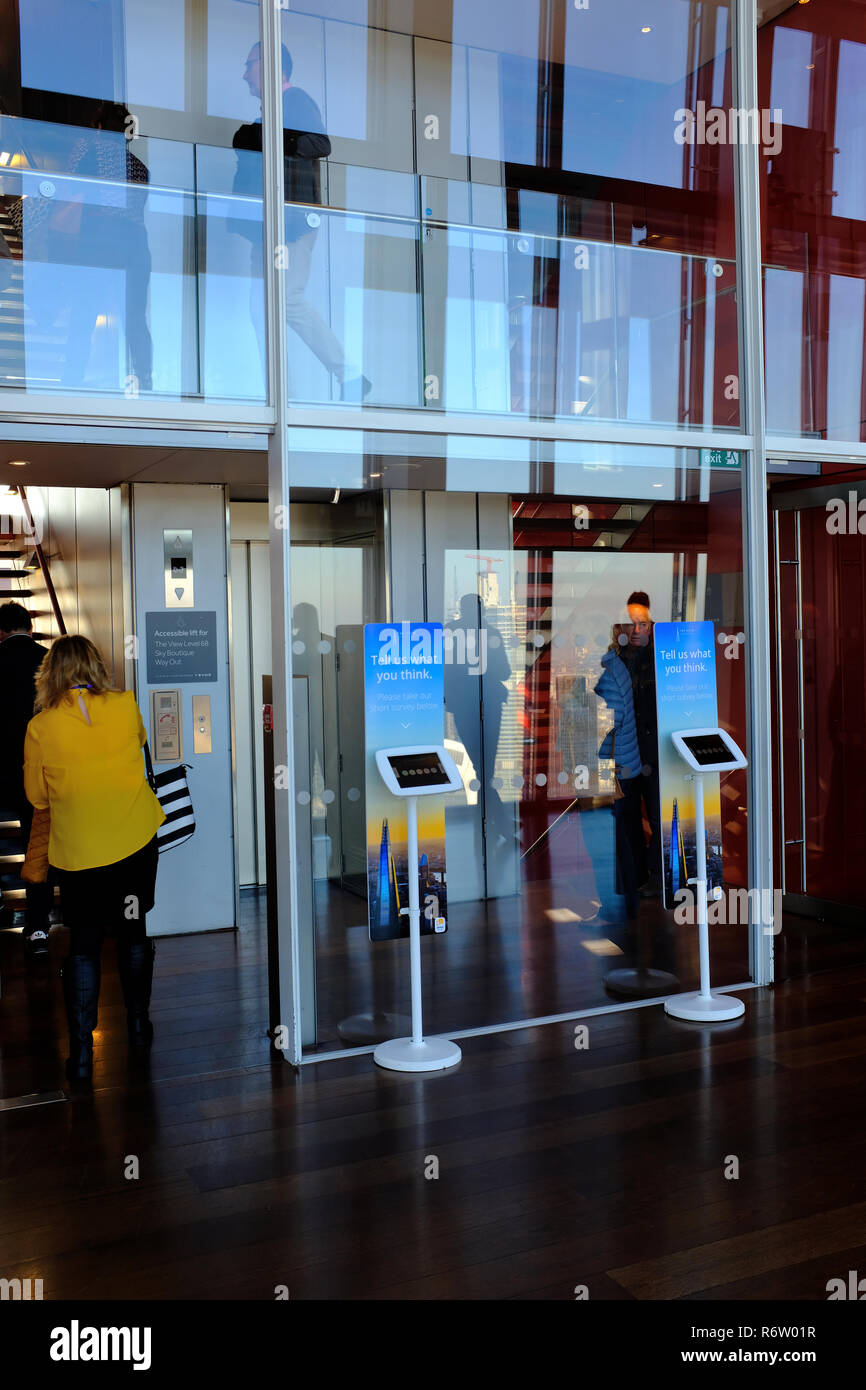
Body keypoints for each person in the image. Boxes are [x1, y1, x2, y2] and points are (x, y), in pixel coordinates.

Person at [23, 637, 165, 1085]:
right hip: (133, 845)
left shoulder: (41, 728)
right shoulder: (125, 705)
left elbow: (36, 796)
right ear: (96, 667)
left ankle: (82, 1054)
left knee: (83, 944)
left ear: (51, 674)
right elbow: (140, 752)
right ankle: (139, 1025)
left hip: (79, 854)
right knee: (133, 932)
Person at [232, 42, 370, 401]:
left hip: (289, 225)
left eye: (250, 65)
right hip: (270, 227)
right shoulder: (271, 114)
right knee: (261, 308)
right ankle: (281, 397)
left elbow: (319, 144)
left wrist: (260, 135)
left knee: (285, 299)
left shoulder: (295, 102)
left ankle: (348, 376)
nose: (245, 73)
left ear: (272, 66)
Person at [0, 601, 52, 957]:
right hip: (41, 770)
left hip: (0, 768)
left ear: (1, 631)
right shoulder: (49, 660)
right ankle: (38, 927)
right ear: (30, 627)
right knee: (40, 846)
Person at [615, 591, 662, 896]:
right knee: (627, 814)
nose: (635, 630)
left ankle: (656, 877)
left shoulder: (661, 656)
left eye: (641, 623)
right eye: (630, 623)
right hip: (627, 749)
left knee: (659, 815)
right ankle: (637, 876)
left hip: (655, 748)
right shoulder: (617, 656)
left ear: (651, 624)